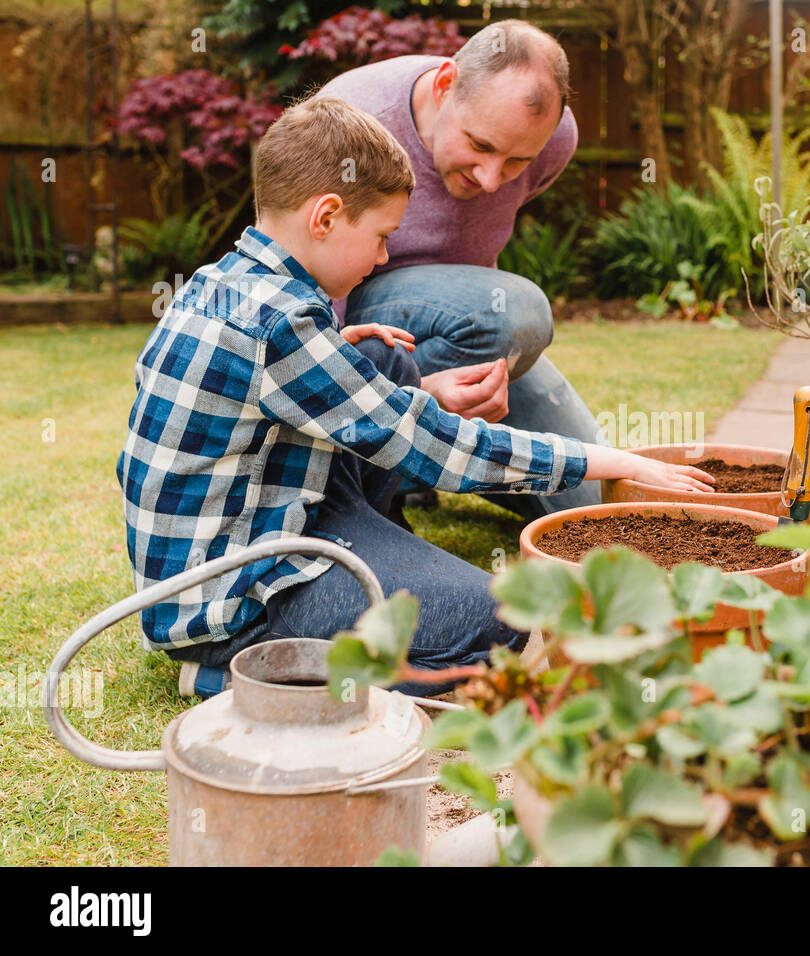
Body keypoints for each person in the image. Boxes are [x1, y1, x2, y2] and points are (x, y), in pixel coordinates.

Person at [116, 96, 714, 699]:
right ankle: (238, 669)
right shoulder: (280, 326)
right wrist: (608, 459)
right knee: (494, 623)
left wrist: (413, 386)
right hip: (232, 599)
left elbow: (272, 402)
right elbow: (439, 450)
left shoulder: (221, 283)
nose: (383, 256)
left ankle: (375, 548)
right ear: (324, 217)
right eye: (380, 236)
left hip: (256, 531)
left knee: (382, 359)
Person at [316, 19, 602, 522]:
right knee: (517, 314)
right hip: (354, 316)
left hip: (465, 317)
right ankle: (374, 472)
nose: (492, 180)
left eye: (516, 161)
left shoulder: (556, 139)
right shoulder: (352, 123)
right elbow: (301, 280)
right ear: (446, 86)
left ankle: (421, 466)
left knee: (597, 501)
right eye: (481, 146)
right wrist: (404, 398)